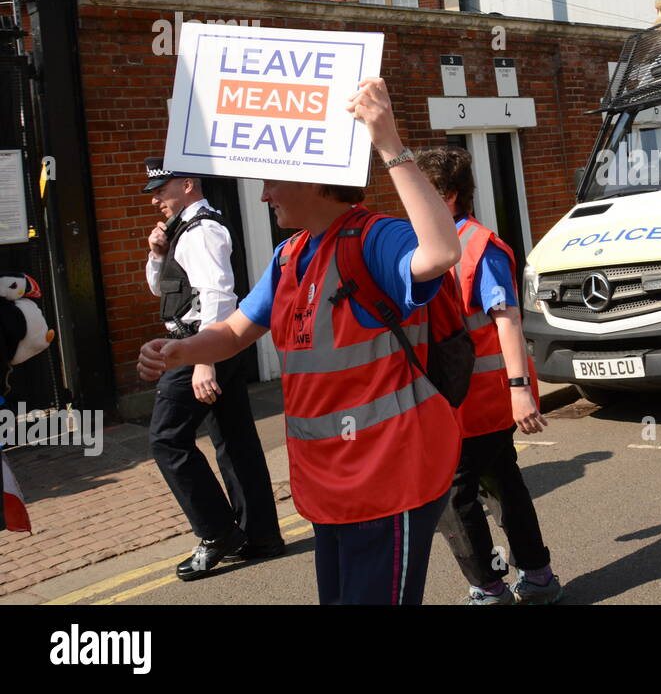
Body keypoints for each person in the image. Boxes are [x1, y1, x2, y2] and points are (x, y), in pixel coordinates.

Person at [139, 78, 463, 605]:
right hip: (331, 489)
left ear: (313, 181)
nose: (263, 195)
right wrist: (181, 350)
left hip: (390, 480)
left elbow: (442, 251)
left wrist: (389, 143)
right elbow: (234, 333)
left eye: (271, 182)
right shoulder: (290, 255)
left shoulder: (376, 237)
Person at [415, 146, 563, 605]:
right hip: (455, 399)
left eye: (422, 192)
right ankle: (536, 576)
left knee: (454, 496)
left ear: (450, 196)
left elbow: (508, 319)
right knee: (501, 483)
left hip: (480, 400)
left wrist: (520, 391)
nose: (411, 202)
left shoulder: (479, 247)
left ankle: (489, 586)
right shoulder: (426, 247)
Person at [140, 158, 281, 580]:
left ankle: (218, 533)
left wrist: (204, 361)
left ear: (186, 184)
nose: (155, 200)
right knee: (234, 441)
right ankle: (259, 536)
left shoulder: (202, 230)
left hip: (199, 346)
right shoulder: (182, 231)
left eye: (161, 190)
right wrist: (156, 255)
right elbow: (162, 288)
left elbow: (220, 296)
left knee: (166, 440)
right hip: (208, 347)